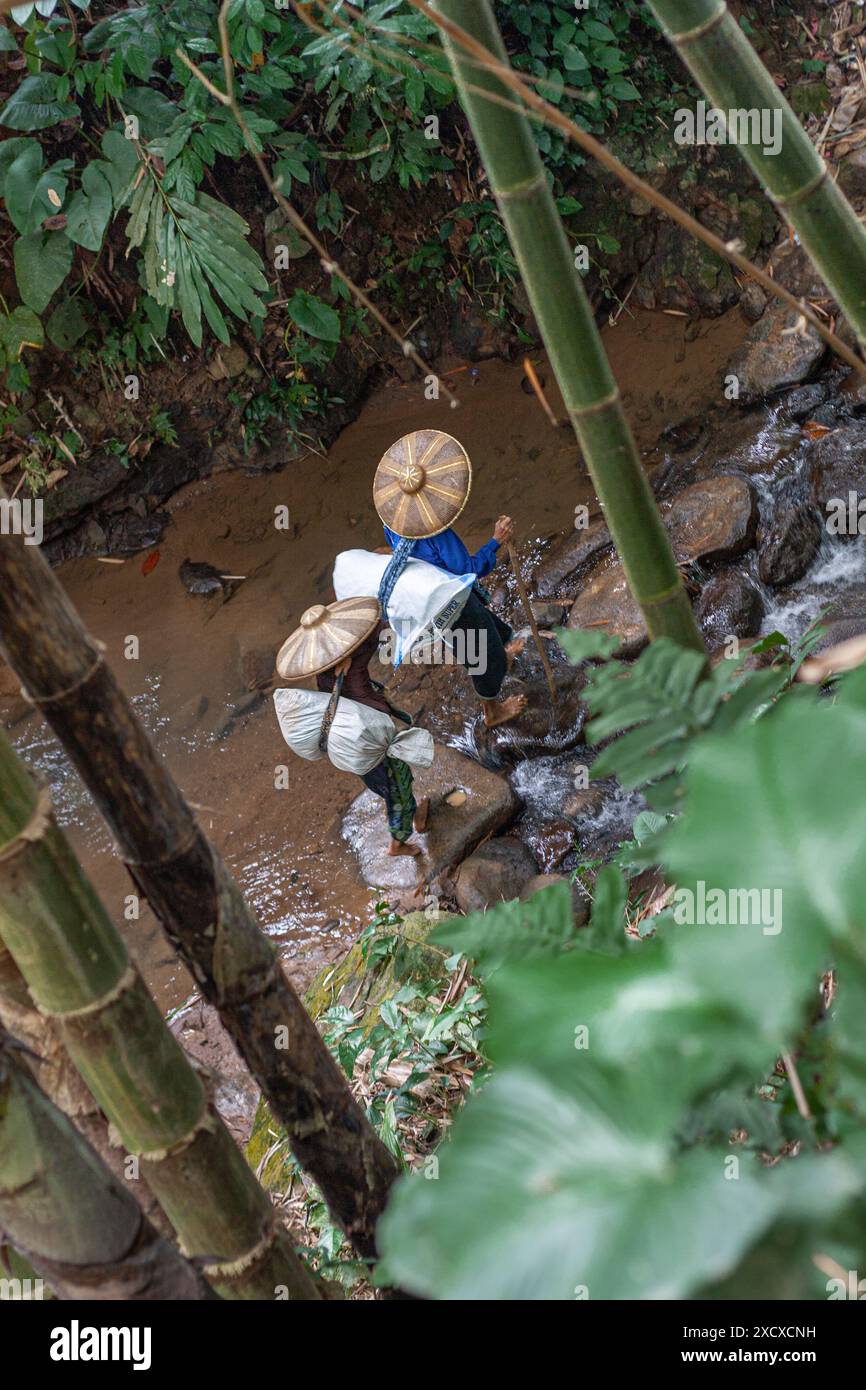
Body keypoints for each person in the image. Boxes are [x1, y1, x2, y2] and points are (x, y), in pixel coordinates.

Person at [373, 428, 527, 729]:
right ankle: (492, 712)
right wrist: (495, 542)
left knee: (483, 629)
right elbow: (468, 570)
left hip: (428, 589)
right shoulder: (436, 534)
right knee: (480, 654)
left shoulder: (391, 519)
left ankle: (503, 651)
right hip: (449, 599)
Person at [273, 598, 430, 858]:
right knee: (398, 791)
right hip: (372, 742)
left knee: (388, 786)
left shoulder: (323, 675)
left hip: (354, 744)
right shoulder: (353, 670)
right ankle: (398, 842)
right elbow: (373, 637)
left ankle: (412, 814)